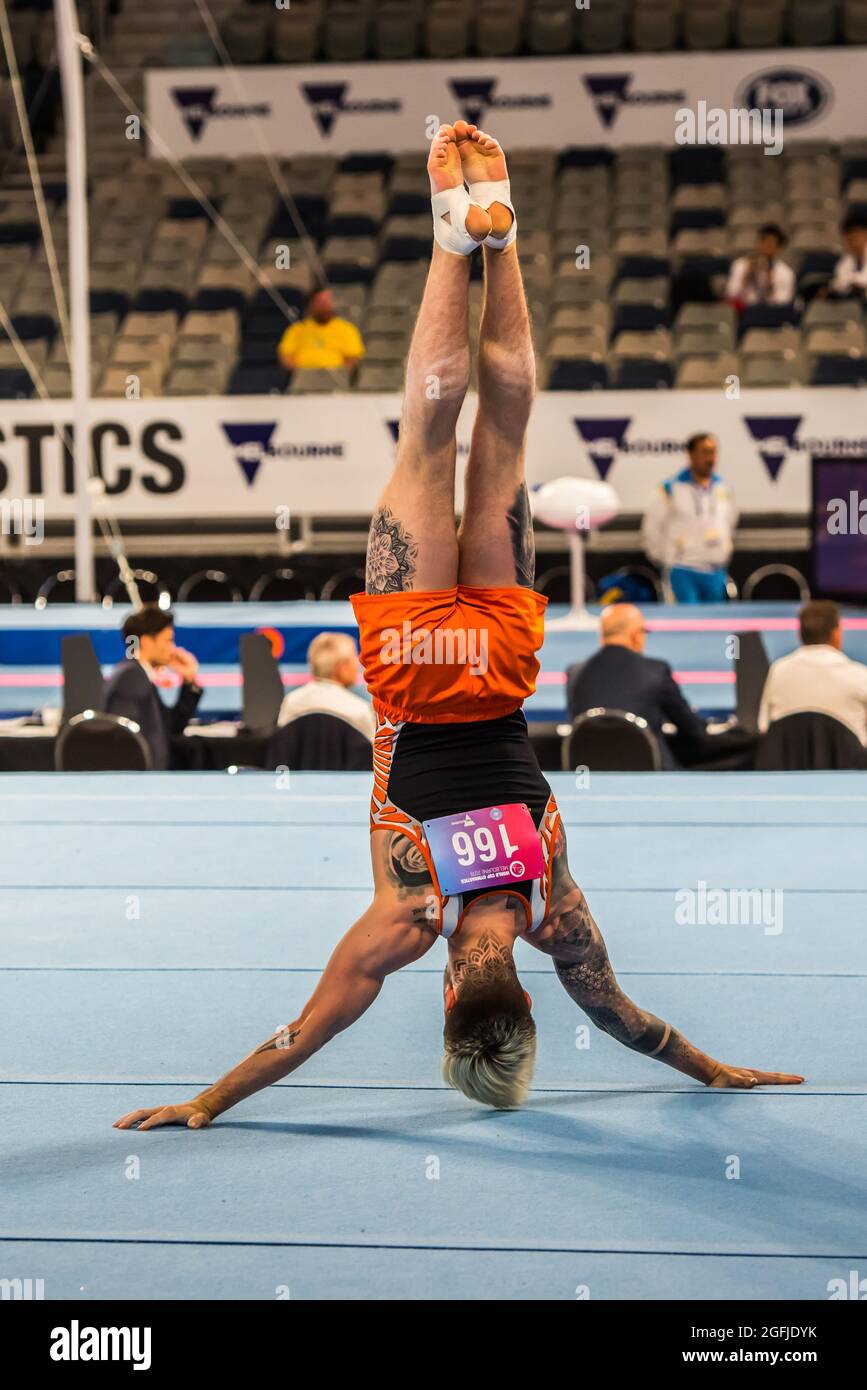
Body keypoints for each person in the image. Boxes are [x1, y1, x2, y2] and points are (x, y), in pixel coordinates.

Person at [115, 122, 801, 1134]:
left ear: (520, 997)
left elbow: (627, 1020)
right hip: (408, 664)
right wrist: (207, 1100)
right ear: (445, 998)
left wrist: (709, 1067)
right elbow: (303, 1032)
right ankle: (451, 235)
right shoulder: (407, 914)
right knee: (430, 433)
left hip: (499, 662)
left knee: (506, 435)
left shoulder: (555, 911)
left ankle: (496, 232)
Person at [566, 604, 709, 769]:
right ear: (635, 636)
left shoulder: (575, 673)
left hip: (589, 774)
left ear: (602, 635)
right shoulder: (656, 671)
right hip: (652, 778)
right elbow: (693, 729)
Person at [642, 432, 737, 604]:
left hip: (715, 569)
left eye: (713, 452)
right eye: (705, 452)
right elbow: (652, 529)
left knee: (715, 625)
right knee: (684, 625)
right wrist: (668, 559)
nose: (710, 458)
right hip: (682, 570)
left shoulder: (723, 488)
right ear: (691, 455)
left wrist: (724, 549)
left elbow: (730, 522)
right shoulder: (670, 488)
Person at [103, 606, 202, 771]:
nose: (173, 649)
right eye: (169, 641)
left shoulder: (137, 674)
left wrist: (188, 680)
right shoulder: (131, 678)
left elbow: (169, 728)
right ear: (147, 641)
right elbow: (128, 741)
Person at [759, 600, 867, 745]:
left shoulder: (778, 670)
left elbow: (763, 727)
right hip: (850, 765)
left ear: (800, 634)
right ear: (836, 634)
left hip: (789, 764)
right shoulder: (860, 675)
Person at [276, 631, 374, 743]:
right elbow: (373, 757)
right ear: (342, 667)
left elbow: (280, 752)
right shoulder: (359, 712)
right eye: (354, 658)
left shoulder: (290, 703)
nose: (358, 665)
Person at [276, 287, 365, 373]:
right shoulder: (296, 329)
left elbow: (353, 358)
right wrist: (300, 373)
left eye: (327, 301)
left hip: (335, 378)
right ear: (311, 304)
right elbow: (285, 355)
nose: (324, 305)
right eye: (320, 302)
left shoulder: (347, 329)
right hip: (302, 378)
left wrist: (341, 374)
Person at [724, 223, 795, 310]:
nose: (766, 247)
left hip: (772, 315)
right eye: (763, 242)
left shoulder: (786, 273)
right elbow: (731, 294)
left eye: (771, 244)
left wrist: (770, 285)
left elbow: (783, 303)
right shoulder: (741, 265)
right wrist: (746, 277)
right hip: (744, 314)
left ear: (779, 247)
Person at [827, 212, 867, 300]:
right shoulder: (847, 258)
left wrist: (850, 281)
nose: (852, 241)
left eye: (856, 236)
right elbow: (838, 283)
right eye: (849, 238)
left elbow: (864, 280)